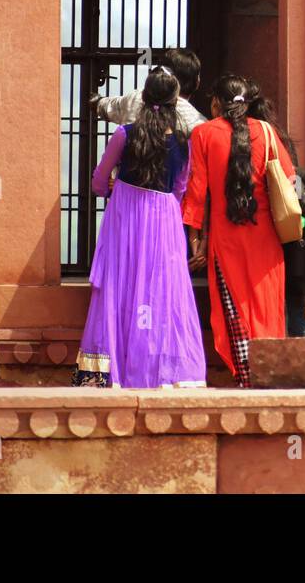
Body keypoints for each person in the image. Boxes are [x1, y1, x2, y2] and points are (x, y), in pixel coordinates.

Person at [72, 67, 207, 388]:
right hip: (165, 221)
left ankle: (112, 373)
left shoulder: (125, 133)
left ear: (144, 97)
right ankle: (163, 374)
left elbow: (98, 180)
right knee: (162, 291)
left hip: (126, 218)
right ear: (175, 101)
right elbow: (180, 187)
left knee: (122, 286)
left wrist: (112, 189)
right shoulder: (184, 141)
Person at [182, 74, 296, 387]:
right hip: (265, 238)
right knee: (265, 306)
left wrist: (194, 239)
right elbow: (288, 179)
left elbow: (196, 190)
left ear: (216, 103)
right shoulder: (267, 132)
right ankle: (268, 374)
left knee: (236, 308)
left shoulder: (203, 134)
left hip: (225, 237)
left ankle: (246, 376)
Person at [245, 90, 305, 338]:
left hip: (276, 238)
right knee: (294, 311)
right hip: (294, 233)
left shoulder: (261, 142)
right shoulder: (282, 140)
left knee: (291, 313)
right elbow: (294, 185)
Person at [92, 48, 207, 133]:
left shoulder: (136, 98)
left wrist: (97, 100)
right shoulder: (198, 124)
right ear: (197, 83)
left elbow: (104, 106)